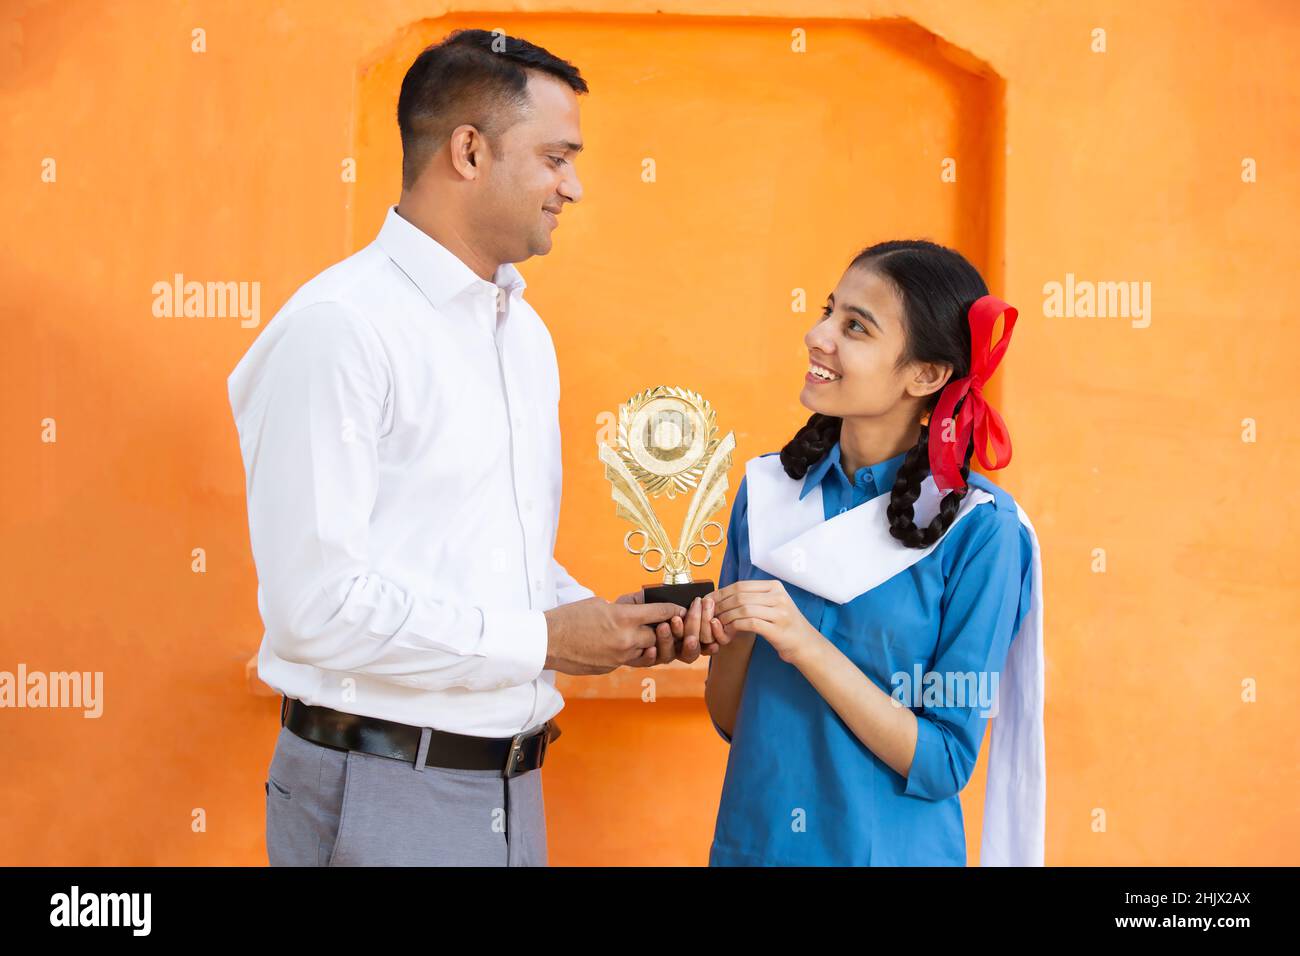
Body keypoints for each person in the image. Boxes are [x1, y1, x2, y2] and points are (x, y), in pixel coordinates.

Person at [227, 29, 709, 867]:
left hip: (513, 785)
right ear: (469, 151)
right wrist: (546, 639)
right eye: (557, 157)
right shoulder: (339, 330)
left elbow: (487, 558)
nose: (575, 186)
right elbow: (318, 610)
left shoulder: (520, 331)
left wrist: (610, 625)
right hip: (383, 786)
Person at [701, 240, 1046, 866]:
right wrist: (730, 631)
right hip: (755, 849)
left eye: (854, 327)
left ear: (927, 374)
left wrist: (802, 642)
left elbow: (944, 762)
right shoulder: (769, 493)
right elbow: (731, 720)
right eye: (829, 311)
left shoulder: (980, 531)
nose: (817, 335)